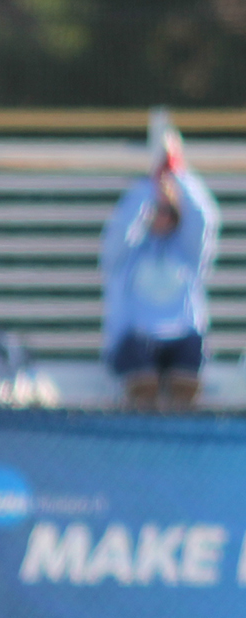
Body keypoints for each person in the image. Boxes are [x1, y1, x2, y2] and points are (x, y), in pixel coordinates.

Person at [101, 132, 219, 412]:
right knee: (143, 384)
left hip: (180, 339)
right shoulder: (127, 253)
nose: (162, 215)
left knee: (187, 372)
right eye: (157, 209)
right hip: (137, 341)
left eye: (168, 209)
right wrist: (151, 183)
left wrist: (178, 174)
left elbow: (204, 218)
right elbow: (120, 227)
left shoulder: (187, 252)